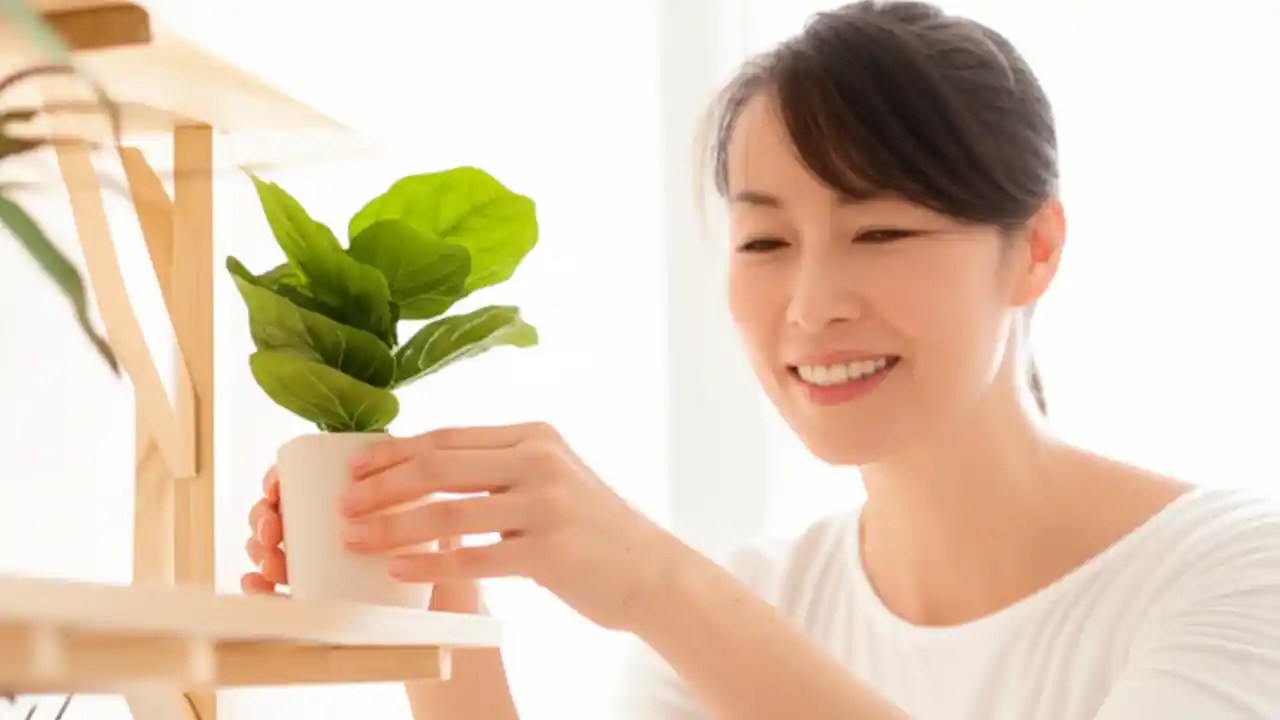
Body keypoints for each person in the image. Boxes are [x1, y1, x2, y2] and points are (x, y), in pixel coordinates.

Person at [242, 1, 1280, 718]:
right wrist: (438, 612)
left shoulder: (1232, 571)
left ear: (1035, 250)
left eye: (879, 234)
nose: (811, 304)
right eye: (764, 244)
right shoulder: (756, 604)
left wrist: (658, 584)